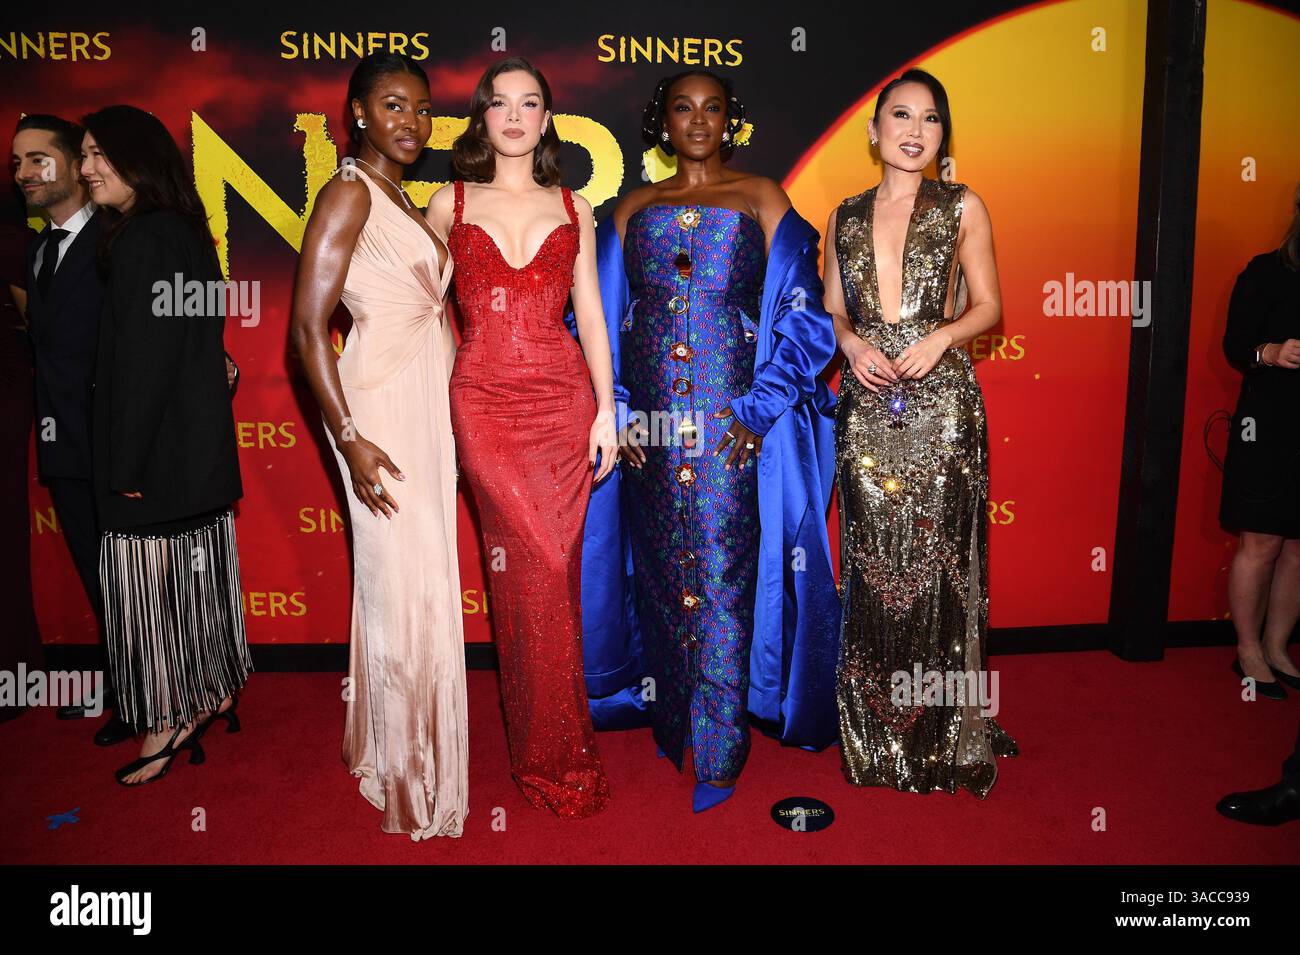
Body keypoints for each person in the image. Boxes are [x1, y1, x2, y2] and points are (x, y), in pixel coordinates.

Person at [585, 70, 840, 813]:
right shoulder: (630, 208)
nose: (698, 120)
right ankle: (675, 717)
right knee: (664, 576)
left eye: (713, 108)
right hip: (653, 436)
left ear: (733, 120)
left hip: (733, 432)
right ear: (660, 123)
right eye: (682, 108)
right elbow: (602, 318)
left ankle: (723, 746)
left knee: (728, 573)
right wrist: (622, 408)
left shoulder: (762, 197)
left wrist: (759, 409)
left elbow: (806, 310)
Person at [426, 57, 617, 819]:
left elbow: (594, 317)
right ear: (481, 119)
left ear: (545, 120)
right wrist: (431, 397)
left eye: (528, 103)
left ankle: (558, 745)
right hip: (485, 406)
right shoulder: (449, 201)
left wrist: (607, 410)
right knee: (524, 568)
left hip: (562, 405)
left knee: (553, 572)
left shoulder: (575, 207)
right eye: (498, 103)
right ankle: (547, 753)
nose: (513, 115)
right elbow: (420, 307)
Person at [825, 69, 1016, 797]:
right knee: (873, 568)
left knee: (941, 570)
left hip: (942, 406)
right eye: (899, 116)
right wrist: (848, 344)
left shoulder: (963, 206)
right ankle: (877, 734)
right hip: (869, 402)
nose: (914, 129)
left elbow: (990, 306)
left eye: (930, 119)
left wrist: (941, 338)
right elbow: (833, 310)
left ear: (943, 135)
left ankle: (942, 734)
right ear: (873, 132)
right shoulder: (843, 215)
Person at [290, 52, 466, 839]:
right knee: (403, 580)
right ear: (357, 111)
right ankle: (405, 766)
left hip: (427, 399)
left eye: (423, 109)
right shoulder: (346, 192)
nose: (411, 121)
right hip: (379, 406)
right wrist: (351, 439)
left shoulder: (405, 195)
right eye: (393, 105)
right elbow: (305, 328)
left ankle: (405, 747)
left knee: (422, 576)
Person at [82, 104, 250, 785]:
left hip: (153, 463)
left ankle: (166, 720)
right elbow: (203, 352)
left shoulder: (142, 240)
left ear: (139, 160)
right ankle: (211, 690)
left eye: (99, 154)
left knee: (149, 600)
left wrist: (122, 464)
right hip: (194, 457)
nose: (86, 167)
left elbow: (145, 365)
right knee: (195, 583)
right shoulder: (183, 230)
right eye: (84, 154)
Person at [12, 115, 130, 744]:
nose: (24, 174)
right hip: (61, 438)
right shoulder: (37, 250)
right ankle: (121, 676)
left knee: (130, 568)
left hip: (115, 438)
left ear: (76, 166)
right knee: (93, 565)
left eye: (38, 160)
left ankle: (147, 688)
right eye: (16, 164)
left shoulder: (120, 238)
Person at [1219, 185, 1300, 701]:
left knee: (1299, 546)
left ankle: (1277, 645)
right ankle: (1247, 648)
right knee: (1264, 541)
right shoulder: (1266, 272)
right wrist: (1270, 351)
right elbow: (1234, 346)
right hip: (1268, 427)